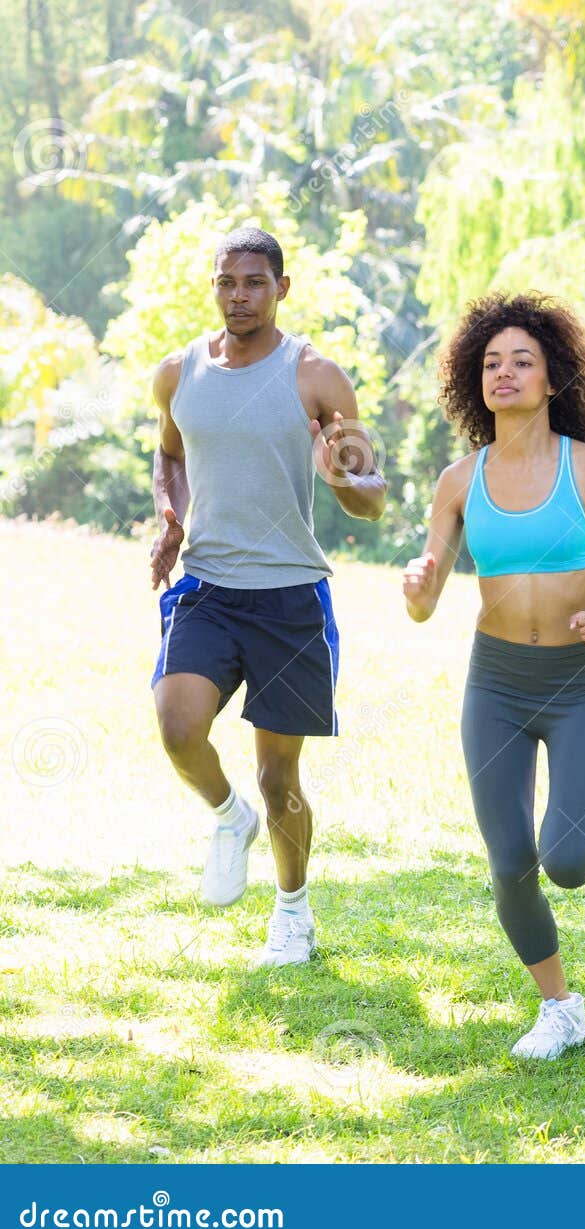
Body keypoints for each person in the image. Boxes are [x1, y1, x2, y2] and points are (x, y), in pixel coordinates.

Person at [402, 292, 585, 1062]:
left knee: (571, 863)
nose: (504, 374)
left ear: (554, 378)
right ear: (470, 382)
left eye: (522, 361)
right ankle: (559, 1006)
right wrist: (418, 586)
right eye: (490, 363)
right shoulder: (458, 481)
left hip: (580, 684)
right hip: (497, 686)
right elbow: (428, 594)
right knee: (511, 863)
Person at [148, 226, 385, 967]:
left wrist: (344, 478)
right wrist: (170, 514)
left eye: (254, 282)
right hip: (208, 589)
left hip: (290, 598)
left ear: (283, 289)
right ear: (213, 287)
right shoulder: (179, 371)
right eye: (226, 282)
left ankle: (292, 912)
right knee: (178, 725)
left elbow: (373, 498)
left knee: (279, 776)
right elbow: (169, 450)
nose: (238, 295)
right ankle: (226, 818)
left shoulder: (315, 376)